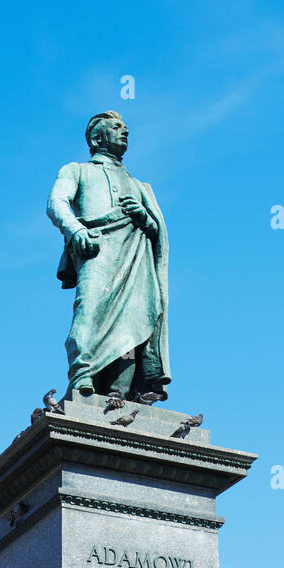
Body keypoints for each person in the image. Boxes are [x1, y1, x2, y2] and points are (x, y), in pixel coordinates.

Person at [47, 111, 170, 400]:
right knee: (89, 309)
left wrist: (145, 218)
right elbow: (56, 202)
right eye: (116, 127)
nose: (124, 131)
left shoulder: (141, 186)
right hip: (97, 247)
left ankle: (120, 389)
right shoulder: (77, 170)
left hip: (136, 257)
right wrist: (74, 229)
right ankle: (82, 374)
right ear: (96, 137)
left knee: (134, 323)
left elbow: (156, 232)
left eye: (126, 127)